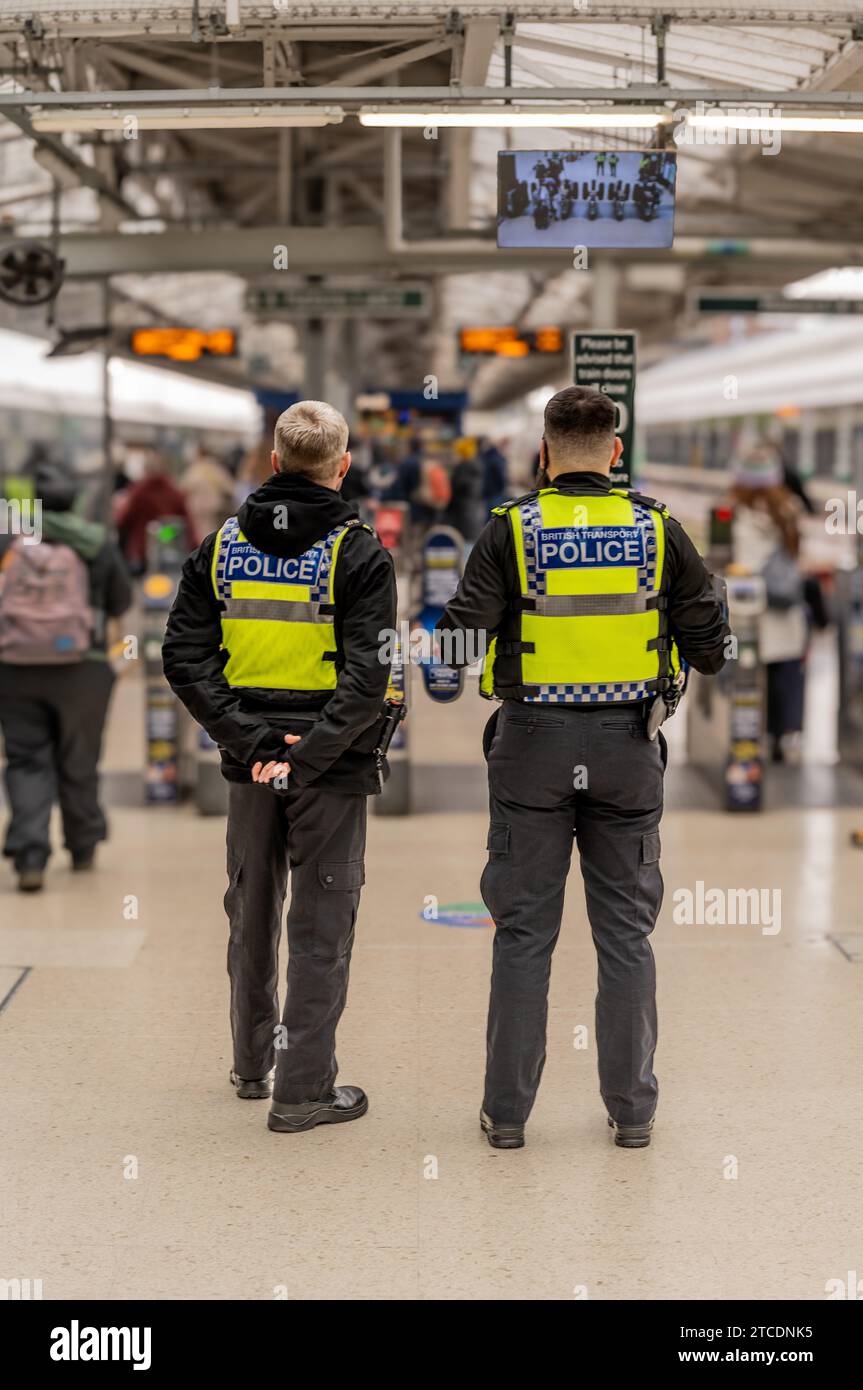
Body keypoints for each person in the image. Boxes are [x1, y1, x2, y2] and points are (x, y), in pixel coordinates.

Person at [438, 386, 729, 1151]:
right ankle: (631, 1113)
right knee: (626, 936)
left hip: (530, 745)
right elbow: (711, 649)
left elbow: (453, 656)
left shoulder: (509, 531)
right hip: (628, 749)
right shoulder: (658, 530)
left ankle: (506, 1116)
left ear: (542, 454)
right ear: (615, 452)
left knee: (523, 934)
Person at [162, 401, 396, 1134]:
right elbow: (367, 681)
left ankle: (250, 1065)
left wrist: (252, 744)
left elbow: (184, 657)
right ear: (342, 465)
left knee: (252, 910)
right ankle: (302, 1092)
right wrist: (310, 754)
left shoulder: (220, 548)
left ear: (272, 461)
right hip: (329, 768)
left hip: (250, 766)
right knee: (322, 923)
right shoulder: (358, 554)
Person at [0, 463, 132, 892]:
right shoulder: (97, 543)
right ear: (75, 500)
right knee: (80, 757)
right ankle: (82, 844)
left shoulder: (11, 541)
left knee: (25, 758)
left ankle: (30, 854)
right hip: (83, 666)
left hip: (15, 666)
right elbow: (120, 602)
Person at [730, 445, 808, 763]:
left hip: (751, 612)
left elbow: (737, 564)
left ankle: (748, 740)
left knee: (748, 682)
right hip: (785, 613)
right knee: (784, 679)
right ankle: (781, 738)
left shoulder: (738, 512)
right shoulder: (789, 508)